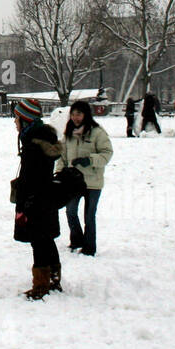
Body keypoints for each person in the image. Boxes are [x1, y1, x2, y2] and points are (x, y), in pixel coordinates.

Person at [11, 98, 66, 300]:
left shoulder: (33, 144)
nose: (14, 122)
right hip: (45, 197)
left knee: (38, 241)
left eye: (17, 118)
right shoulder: (40, 139)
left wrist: (24, 202)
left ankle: (41, 284)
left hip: (35, 199)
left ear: (25, 120)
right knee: (45, 238)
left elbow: (30, 177)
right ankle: (53, 278)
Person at [58, 100, 112, 256]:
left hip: (93, 182)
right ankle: (76, 240)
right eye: (73, 114)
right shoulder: (68, 133)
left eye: (79, 114)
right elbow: (62, 156)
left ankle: (89, 247)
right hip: (73, 182)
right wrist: (60, 172)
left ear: (86, 115)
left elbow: (107, 153)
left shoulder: (97, 132)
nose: (76, 118)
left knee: (89, 216)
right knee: (71, 211)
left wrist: (90, 160)